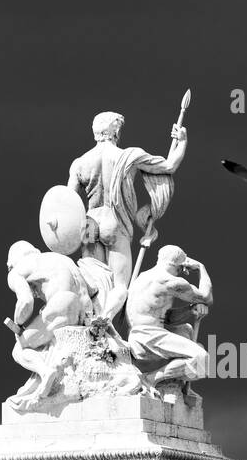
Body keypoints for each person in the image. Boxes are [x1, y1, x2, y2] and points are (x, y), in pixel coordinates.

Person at [67, 112, 187, 322]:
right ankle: (103, 320)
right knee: (120, 285)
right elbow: (169, 166)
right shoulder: (128, 156)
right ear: (116, 131)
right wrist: (182, 141)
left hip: (89, 223)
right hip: (115, 223)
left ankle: (89, 322)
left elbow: (67, 201)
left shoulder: (79, 163)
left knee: (91, 279)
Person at [4, 241, 89, 409]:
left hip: (59, 305)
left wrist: (18, 325)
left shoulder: (16, 271)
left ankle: (45, 372)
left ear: (11, 263)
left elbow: (26, 302)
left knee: (18, 350)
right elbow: (88, 292)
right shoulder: (61, 259)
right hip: (81, 308)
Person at [125, 245, 211, 403]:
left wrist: (190, 309)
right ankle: (151, 379)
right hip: (149, 337)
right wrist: (201, 268)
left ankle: (173, 386)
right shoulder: (169, 281)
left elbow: (165, 318)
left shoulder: (144, 276)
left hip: (141, 334)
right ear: (180, 266)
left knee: (185, 329)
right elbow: (206, 297)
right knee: (202, 360)